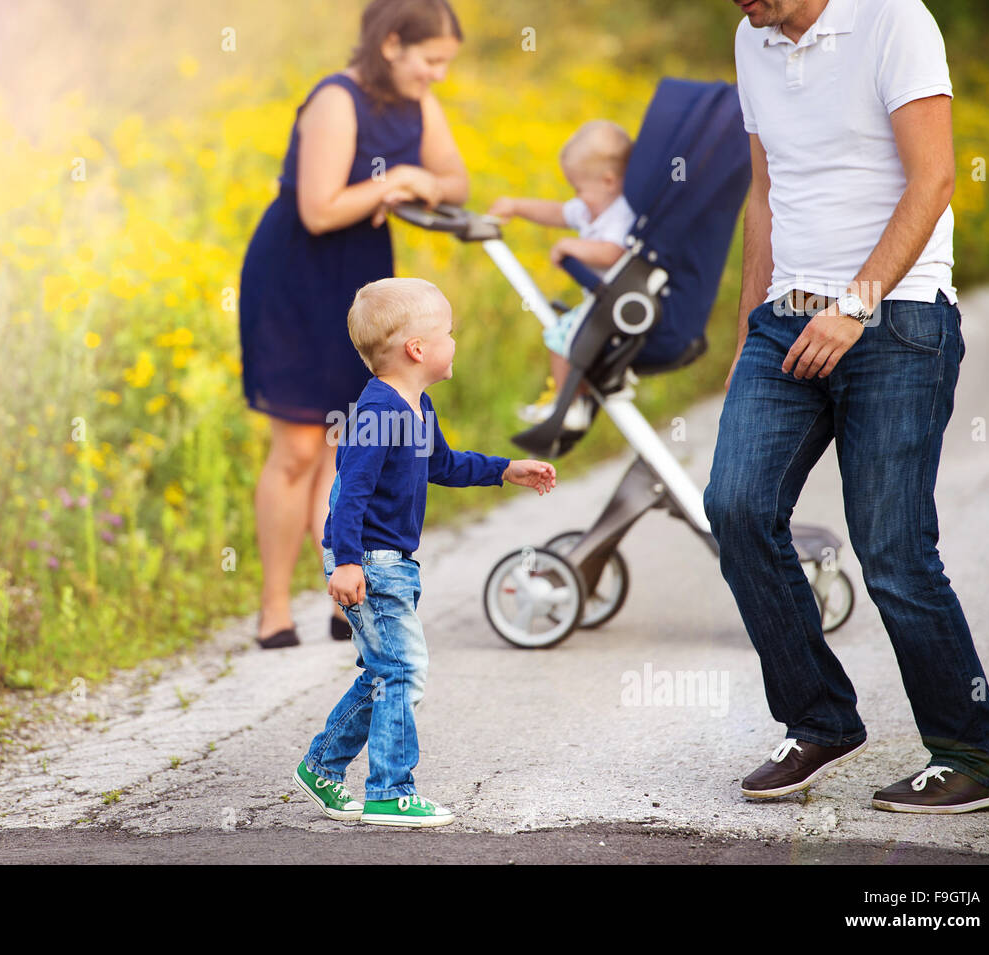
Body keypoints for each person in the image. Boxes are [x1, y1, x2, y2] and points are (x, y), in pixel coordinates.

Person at [704, 0, 989, 812]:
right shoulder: (753, 36)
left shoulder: (895, 19)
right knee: (735, 504)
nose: (740, 4)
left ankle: (969, 751)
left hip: (898, 316)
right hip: (786, 319)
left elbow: (935, 177)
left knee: (893, 551)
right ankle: (820, 718)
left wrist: (854, 305)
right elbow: (764, 195)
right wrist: (749, 328)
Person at [238, 0, 469, 649]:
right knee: (300, 448)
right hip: (294, 277)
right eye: (431, 61)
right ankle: (274, 609)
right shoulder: (336, 99)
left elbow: (456, 180)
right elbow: (318, 209)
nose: (438, 76)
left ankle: (344, 598)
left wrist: (419, 179)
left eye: (445, 64)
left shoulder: (417, 102)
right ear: (393, 43)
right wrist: (396, 180)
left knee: (349, 439)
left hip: (364, 284)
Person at [293, 277, 557, 826]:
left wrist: (504, 470)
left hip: (390, 562)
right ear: (418, 349)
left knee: (382, 673)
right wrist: (345, 561)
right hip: (370, 560)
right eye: (449, 333)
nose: (454, 342)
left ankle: (322, 766)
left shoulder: (416, 406)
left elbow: (442, 464)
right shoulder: (378, 414)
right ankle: (391, 791)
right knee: (404, 670)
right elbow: (351, 494)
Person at [488, 120, 635, 432]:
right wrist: (515, 206)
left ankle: (566, 404)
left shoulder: (620, 213)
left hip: (617, 303)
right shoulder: (590, 208)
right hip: (602, 302)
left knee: (559, 339)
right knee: (568, 336)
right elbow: (555, 212)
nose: (575, 196)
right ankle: (575, 401)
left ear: (609, 181)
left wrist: (574, 247)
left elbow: (615, 253)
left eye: (579, 188)